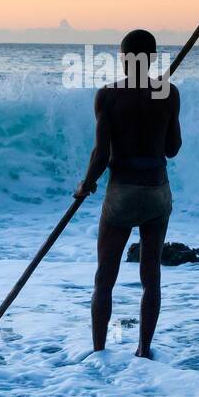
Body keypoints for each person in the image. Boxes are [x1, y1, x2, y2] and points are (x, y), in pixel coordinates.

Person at [75, 29, 181, 358]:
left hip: (122, 193)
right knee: (151, 276)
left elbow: (101, 155)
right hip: (156, 192)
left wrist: (86, 185)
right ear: (151, 59)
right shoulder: (169, 92)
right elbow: (173, 148)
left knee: (105, 277)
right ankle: (143, 349)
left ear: (123, 59)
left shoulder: (108, 96)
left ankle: (98, 350)